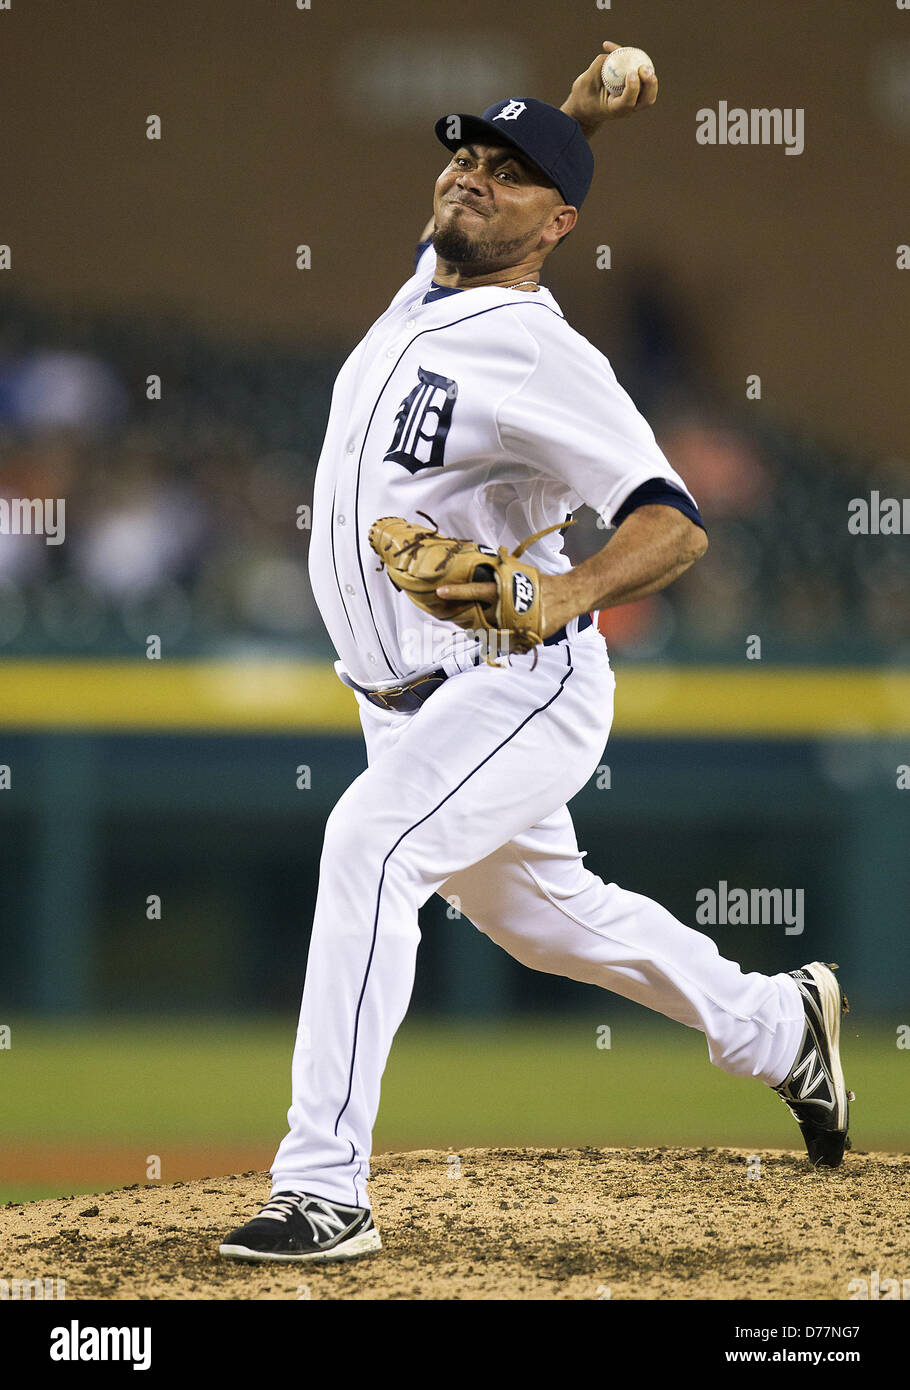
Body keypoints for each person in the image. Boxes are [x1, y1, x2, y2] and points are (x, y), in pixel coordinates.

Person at [219, 43, 849, 1266]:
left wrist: (564, 589)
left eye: (506, 175)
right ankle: (780, 1027)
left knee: (370, 840)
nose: (470, 178)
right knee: (548, 918)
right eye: (463, 156)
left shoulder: (544, 354)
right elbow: (510, 186)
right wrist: (573, 116)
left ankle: (322, 1187)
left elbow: (672, 520)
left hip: (514, 684)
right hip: (400, 702)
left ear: (557, 225)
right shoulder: (427, 293)